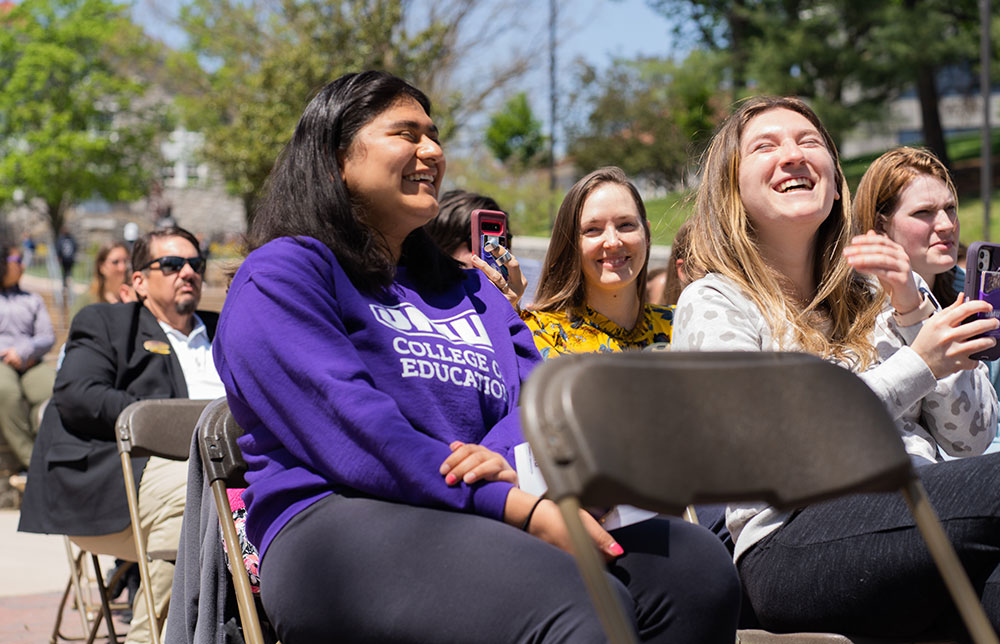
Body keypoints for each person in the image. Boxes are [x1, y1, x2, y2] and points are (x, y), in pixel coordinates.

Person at [211, 70, 740, 644]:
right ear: (337, 155)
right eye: (406, 134)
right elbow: (353, 427)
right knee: (581, 598)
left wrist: (500, 471)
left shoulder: (474, 289)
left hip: (487, 504)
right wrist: (509, 502)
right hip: (337, 520)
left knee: (692, 567)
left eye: (434, 135)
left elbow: (537, 399)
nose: (432, 151)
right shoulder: (284, 275)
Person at [672, 95, 1000, 640]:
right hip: (793, 537)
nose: (793, 156)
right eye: (766, 146)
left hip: (931, 513)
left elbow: (971, 439)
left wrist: (916, 312)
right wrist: (918, 365)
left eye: (809, 143)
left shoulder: (886, 286)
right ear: (731, 186)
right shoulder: (715, 302)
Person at [19, 226, 224, 644]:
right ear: (138, 280)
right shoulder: (106, 322)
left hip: (230, 470)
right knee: (198, 494)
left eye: (195, 264)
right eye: (170, 264)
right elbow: (77, 394)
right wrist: (167, 423)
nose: (187, 272)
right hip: (119, 482)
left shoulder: (226, 330)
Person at [854, 147, 1000, 456]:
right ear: (880, 226)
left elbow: (984, 429)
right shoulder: (859, 312)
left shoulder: (975, 298)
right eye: (924, 212)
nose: (947, 224)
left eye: (950, 208)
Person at [520, 166, 675, 357]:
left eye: (626, 225)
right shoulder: (539, 335)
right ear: (571, 244)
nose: (613, 242)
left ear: (647, 234)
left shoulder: (683, 326)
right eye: (592, 229)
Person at [0, 244, 55, 484]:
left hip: (31, 361)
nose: (22, 264)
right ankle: (32, 463)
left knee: (52, 390)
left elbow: (46, 336)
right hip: (2, 362)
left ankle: (49, 454)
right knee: (7, 393)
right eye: (17, 259)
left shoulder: (32, 299)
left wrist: (24, 352)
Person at [424, 189, 528, 307]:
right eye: (480, 242)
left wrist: (509, 310)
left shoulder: (529, 319)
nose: (494, 252)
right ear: (441, 247)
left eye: (503, 241)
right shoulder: (421, 309)